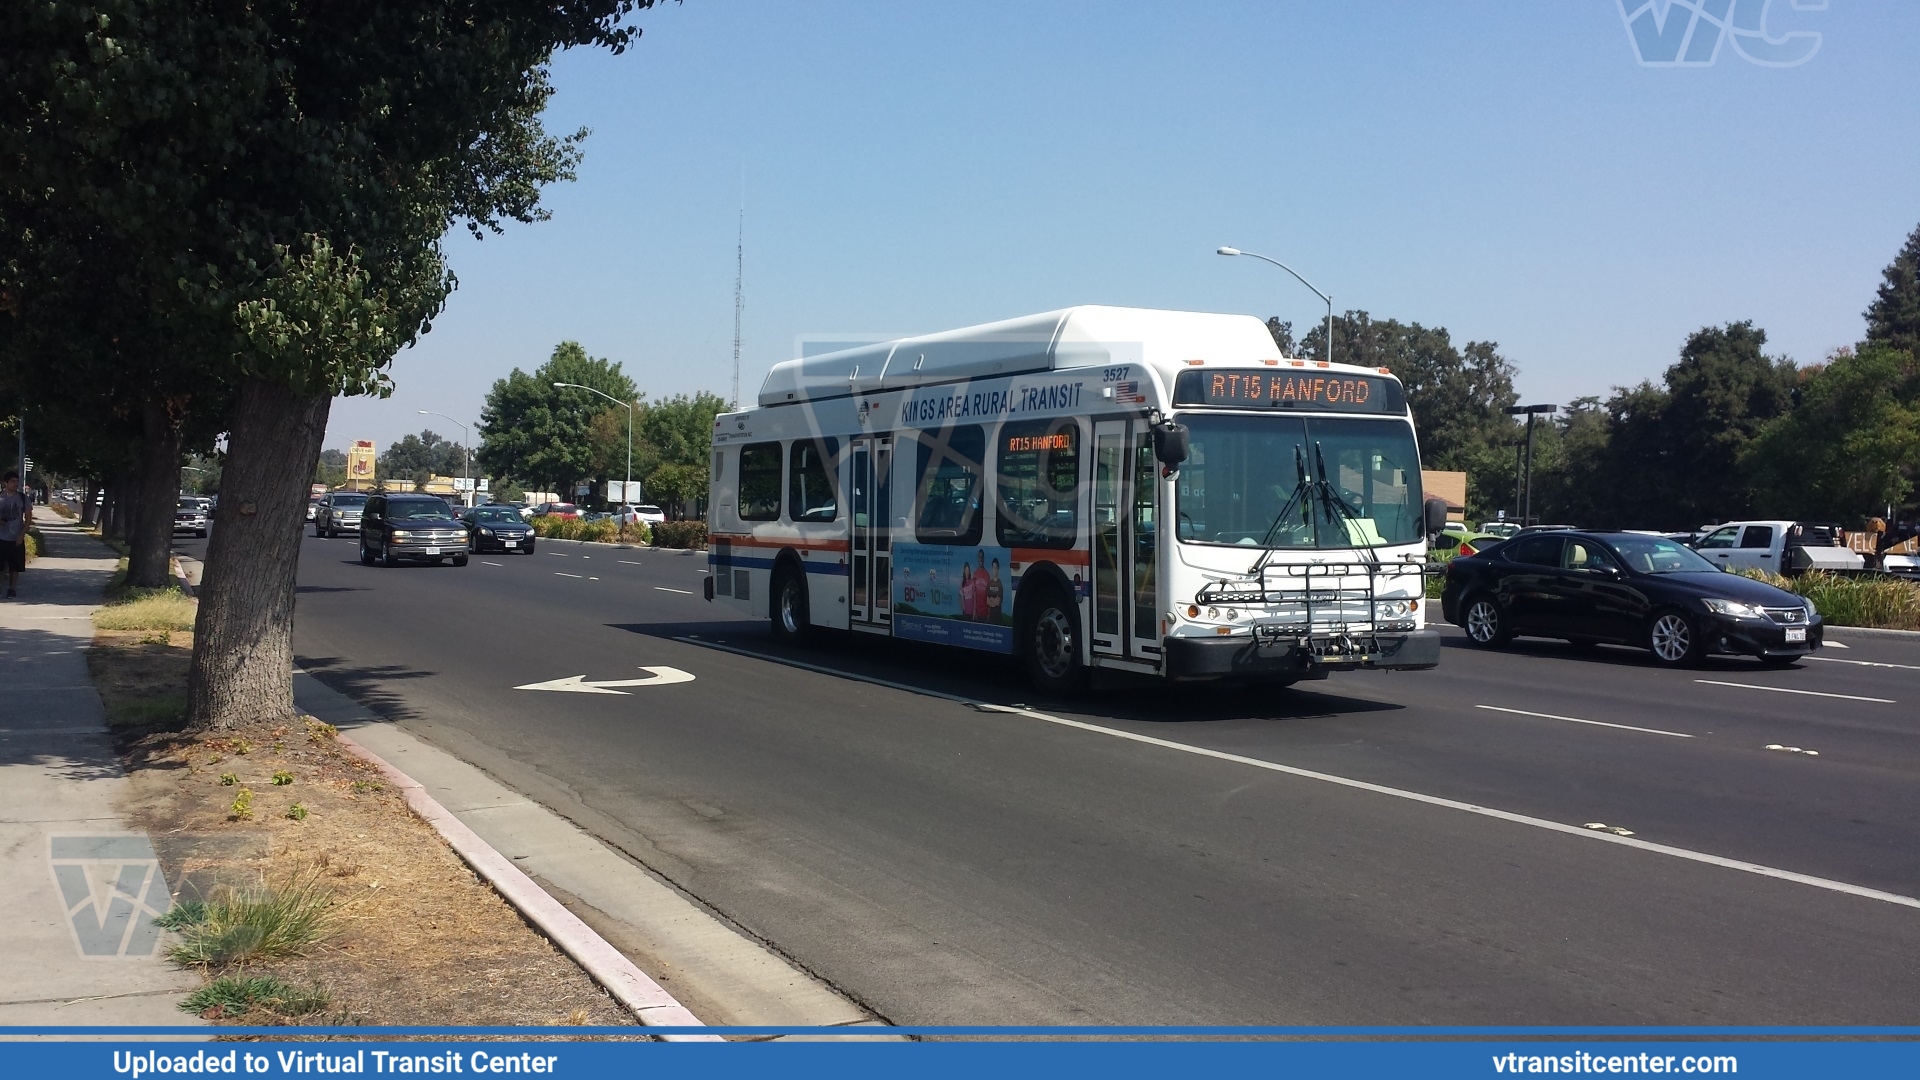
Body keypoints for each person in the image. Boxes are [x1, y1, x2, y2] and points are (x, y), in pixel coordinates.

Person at [0, 470, 33, 599]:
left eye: (17, 481)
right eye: (12, 481)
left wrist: (22, 534)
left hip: (16, 538)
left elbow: (29, 518)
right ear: (5, 483)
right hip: (1, 537)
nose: (15, 484)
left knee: (15, 566)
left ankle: (12, 589)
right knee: (1, 566)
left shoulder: (23, 499)